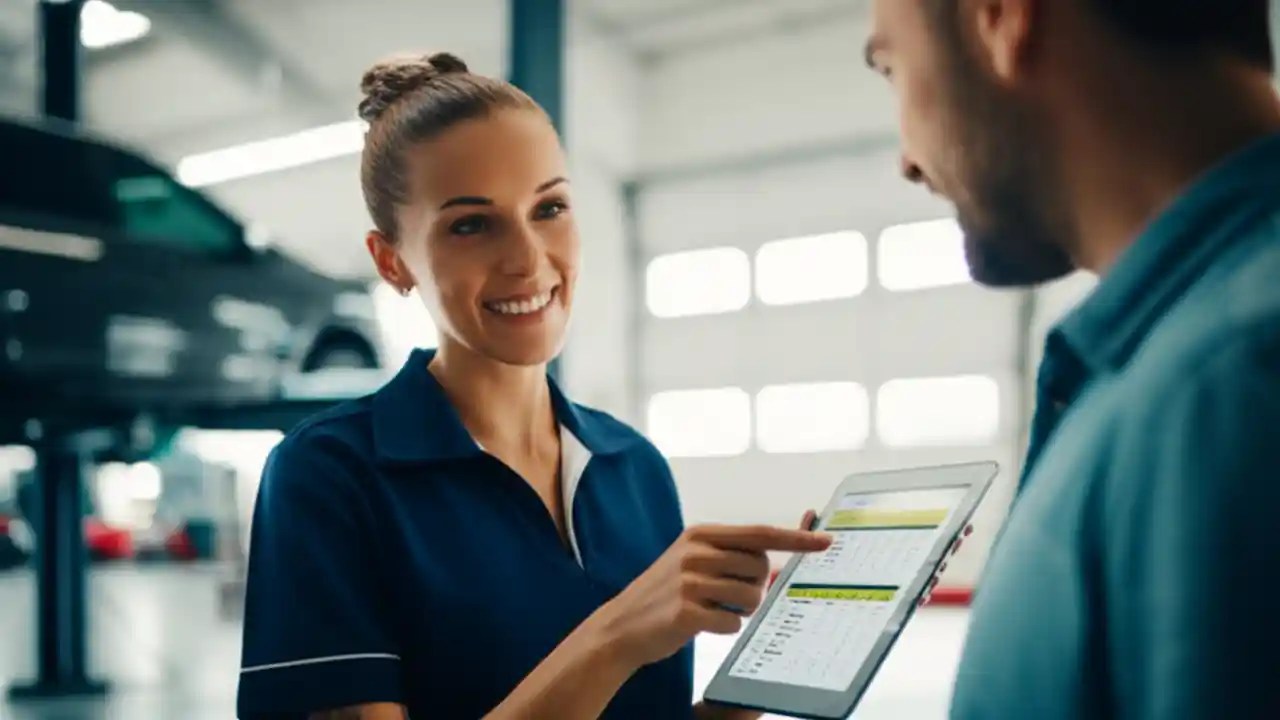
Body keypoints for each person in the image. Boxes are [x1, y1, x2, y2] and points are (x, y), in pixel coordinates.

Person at [235, 52, 835, 720]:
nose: (527, 258)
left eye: (549, 207)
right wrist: (617, 635)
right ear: (393, 261)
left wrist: (772, 668)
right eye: (471, 224)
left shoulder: (634, 468)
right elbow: (616, 647)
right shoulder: (328, 476)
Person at [865, 0, 1280, 717]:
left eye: (892, 68)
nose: (906, 159)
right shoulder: (1168, 365)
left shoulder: (1222, 394)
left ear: (1001, 18)